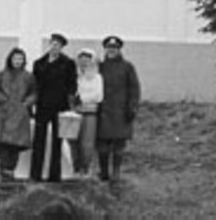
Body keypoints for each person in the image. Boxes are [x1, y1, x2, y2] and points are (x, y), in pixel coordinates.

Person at [30, 32, 77, 182]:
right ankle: (35, 174)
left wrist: (69, 100)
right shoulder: (39, 63)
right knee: (39, 141)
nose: (55, 47)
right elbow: (35, 85)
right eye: (53, 44)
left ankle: (54, 175)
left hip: (60, 106)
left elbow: (72, 84)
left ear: (62, 47)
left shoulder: (68, 63)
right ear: (49, 44)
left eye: (58, 45)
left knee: (57, 142)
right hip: (43, 106)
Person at [97, 35, 140, 186]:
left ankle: (116, 172)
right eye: (109, 48)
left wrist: (132, 107)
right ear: (105, 49)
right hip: (103, 111)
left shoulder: (128, 67)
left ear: (119, 50)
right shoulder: (100, 67)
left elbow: (134, 89)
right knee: (102, 145)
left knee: (119, 145)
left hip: (121, 111)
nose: (111, 50)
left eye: (114, 48)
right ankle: (103, 172)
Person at [0, 47, 37, 182]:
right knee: (3, 146)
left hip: (20, 116)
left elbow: (34, 93)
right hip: (3, 116)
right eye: (15, 58)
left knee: (15, 147)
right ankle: (3, 174)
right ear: (10, 59)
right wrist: (2, 100)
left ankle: (10, 172)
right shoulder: (1, 75)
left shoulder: (28, 77)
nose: (18, 61)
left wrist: (26, 103)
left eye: (20, 59)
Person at [72, 48, 103, 177]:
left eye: (87, 60)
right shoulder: (76, 77)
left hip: (90, 113)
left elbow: (98, 96)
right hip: (75, 113)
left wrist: (82, 99)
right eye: (82, 60)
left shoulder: (97, 78)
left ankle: (86, 168)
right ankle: (75, 168)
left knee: (87, 142)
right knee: (73, 141)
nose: (84, 63)